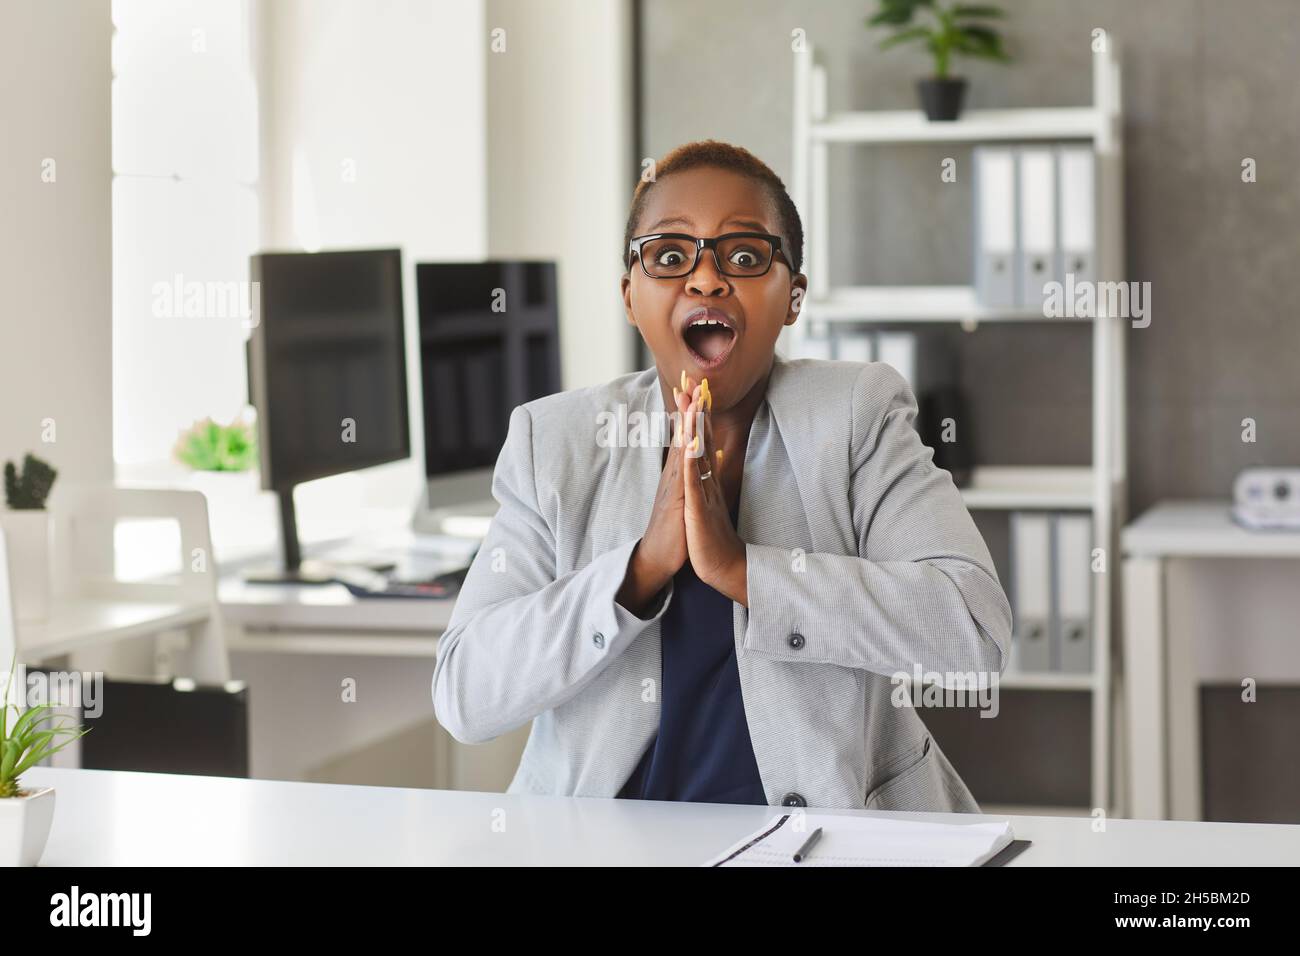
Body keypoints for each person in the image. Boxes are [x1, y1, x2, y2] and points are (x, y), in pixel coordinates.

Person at [432, 139, 1012, 811]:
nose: (706, 280)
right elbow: (466, 695)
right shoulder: (556, 442)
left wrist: (744, 571)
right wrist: (642, 569)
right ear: (630, 295)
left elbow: (975, 634)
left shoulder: (856, 416)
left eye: (744, 256)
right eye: (670, 256)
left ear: (793, 296)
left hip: (824, 844)